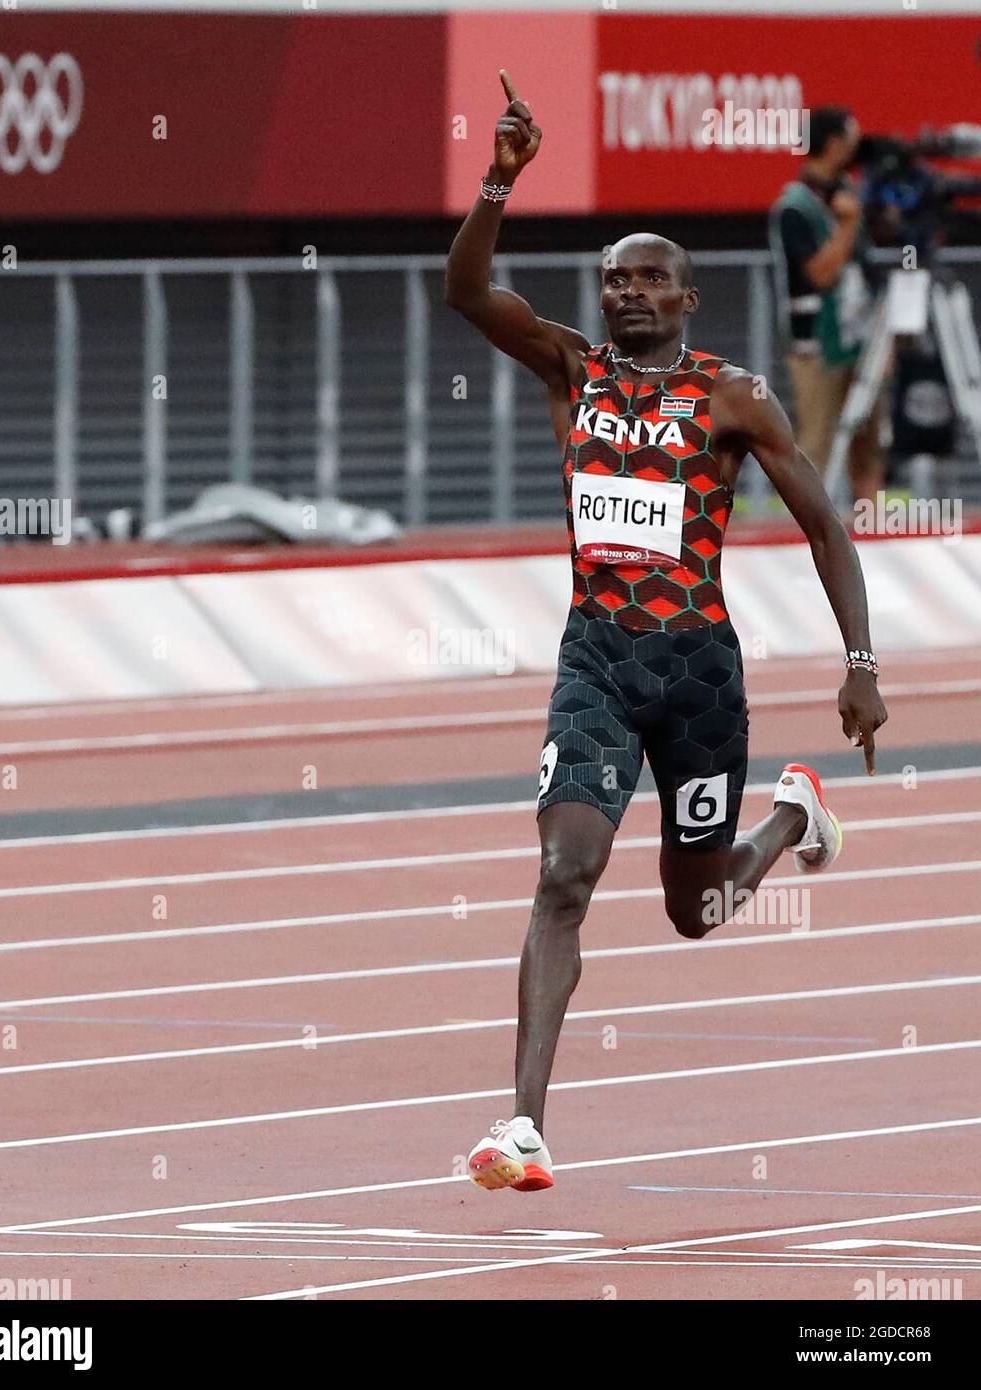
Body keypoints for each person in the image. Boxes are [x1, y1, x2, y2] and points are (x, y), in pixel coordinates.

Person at [444, 72, 888, 1193]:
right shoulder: (568, 366)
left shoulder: (733, 398)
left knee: (694, 912)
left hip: (696, 676)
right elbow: (463, 291)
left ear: (688, 299)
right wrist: (499, 175)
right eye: (612, 279)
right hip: (595, 661)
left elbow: (827, 529)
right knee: (562, 873)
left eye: (650, 279)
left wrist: (858, 663)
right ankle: (522, 1126)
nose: (627, 293)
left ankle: (791, 814)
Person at [769, 106, 887, 504]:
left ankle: (870, 524)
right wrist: (849, 225)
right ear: (834, 144)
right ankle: (807, 536)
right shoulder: (794, 207)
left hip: (859, 338)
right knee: (815, 441)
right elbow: (819, 274)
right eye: (852, 140)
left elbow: (867, 265)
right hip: (816, 346)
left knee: (868, 439)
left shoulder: (849, 196)